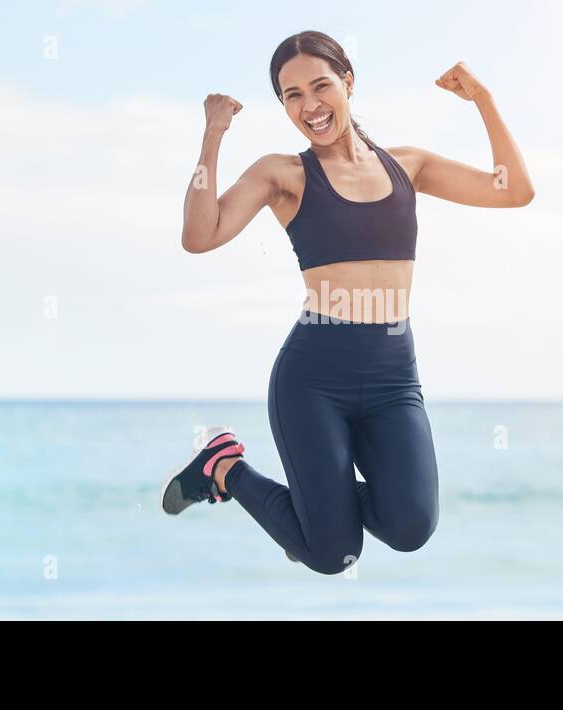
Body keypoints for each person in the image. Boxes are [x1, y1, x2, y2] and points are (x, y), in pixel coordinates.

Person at [161, 30, 534, 575]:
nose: (310, 105)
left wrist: (483, 98)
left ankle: (312, 509)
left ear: (348, 83)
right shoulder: (282, 174)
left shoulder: (408, 165)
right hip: (315, 378)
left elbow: (513, 190)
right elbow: (200, 235)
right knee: (333, 554)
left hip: (393, 378)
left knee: (411, 526)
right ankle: (225, 469)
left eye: (320, 86)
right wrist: (213, 135)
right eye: (292, 95)